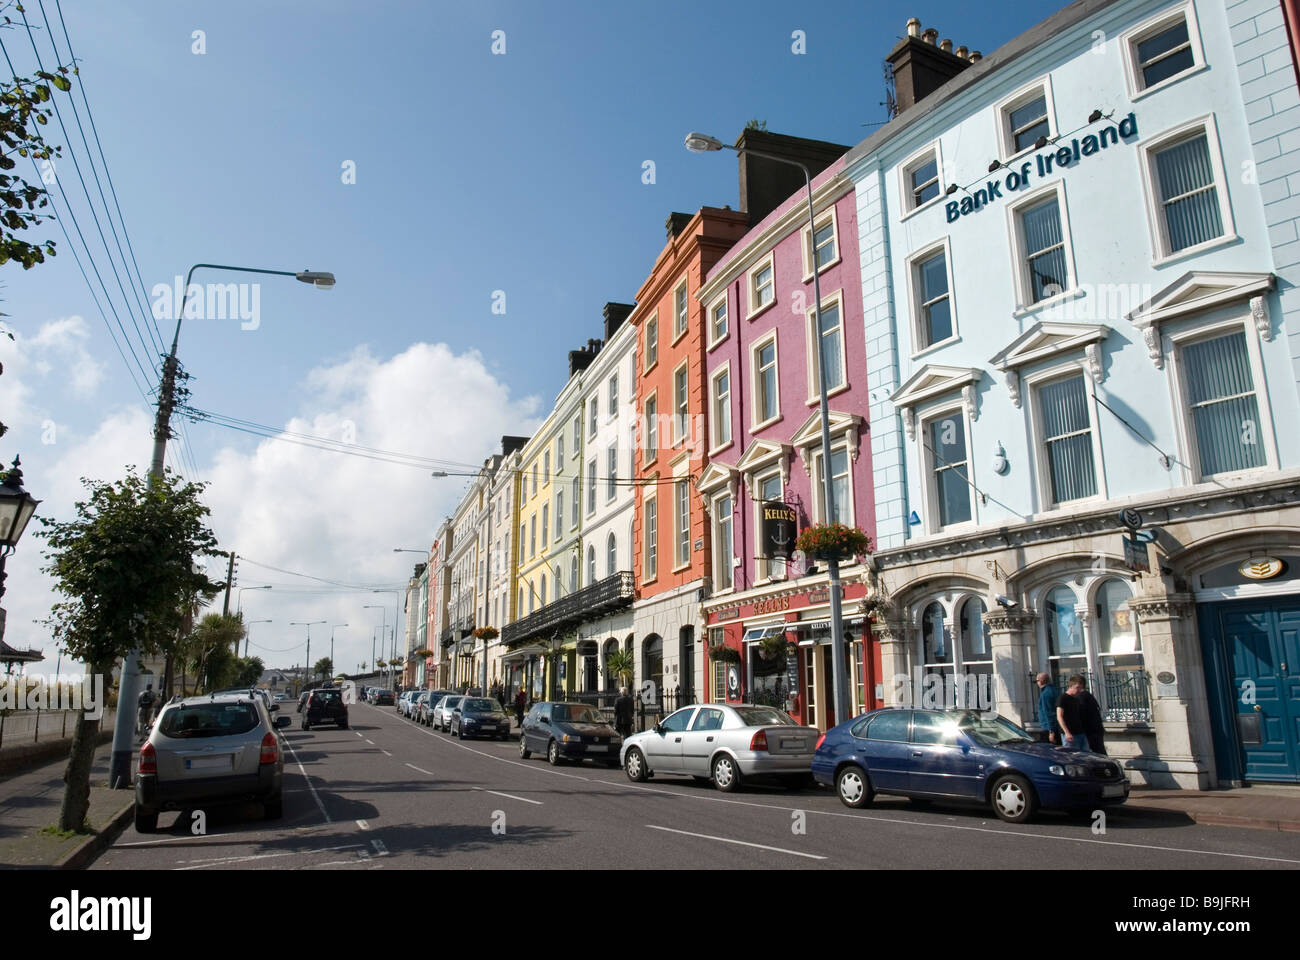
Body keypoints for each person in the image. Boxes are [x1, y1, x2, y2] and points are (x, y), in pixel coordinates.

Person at [1056, 674, 1090, 752]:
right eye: (1077, 687)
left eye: (1081, 688)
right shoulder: (1062, 698)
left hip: (1080, 732)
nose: (1079, 690)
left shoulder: (1076, 699)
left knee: (1085, 755)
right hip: (1070, 734)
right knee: (1072, 756)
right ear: (1071, 686)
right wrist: (1067, 732)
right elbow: (1059, 716)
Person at [1075, 676, 1106, 755]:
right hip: (1096, 728)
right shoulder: (1088, 695)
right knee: (1099, 751)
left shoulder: (1081, 697)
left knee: (1096, 752)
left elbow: (1081, 713)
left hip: (1090, 730)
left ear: (1079, 685)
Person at [1035, 672, 1061, 745]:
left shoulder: (1046, 694)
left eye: (1037, 681)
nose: (1037, 683)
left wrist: (1051, 731)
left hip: (1048, 728)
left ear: (1041, 681)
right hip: (1054, 726)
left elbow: (1049, 713)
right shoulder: (1054, 690)